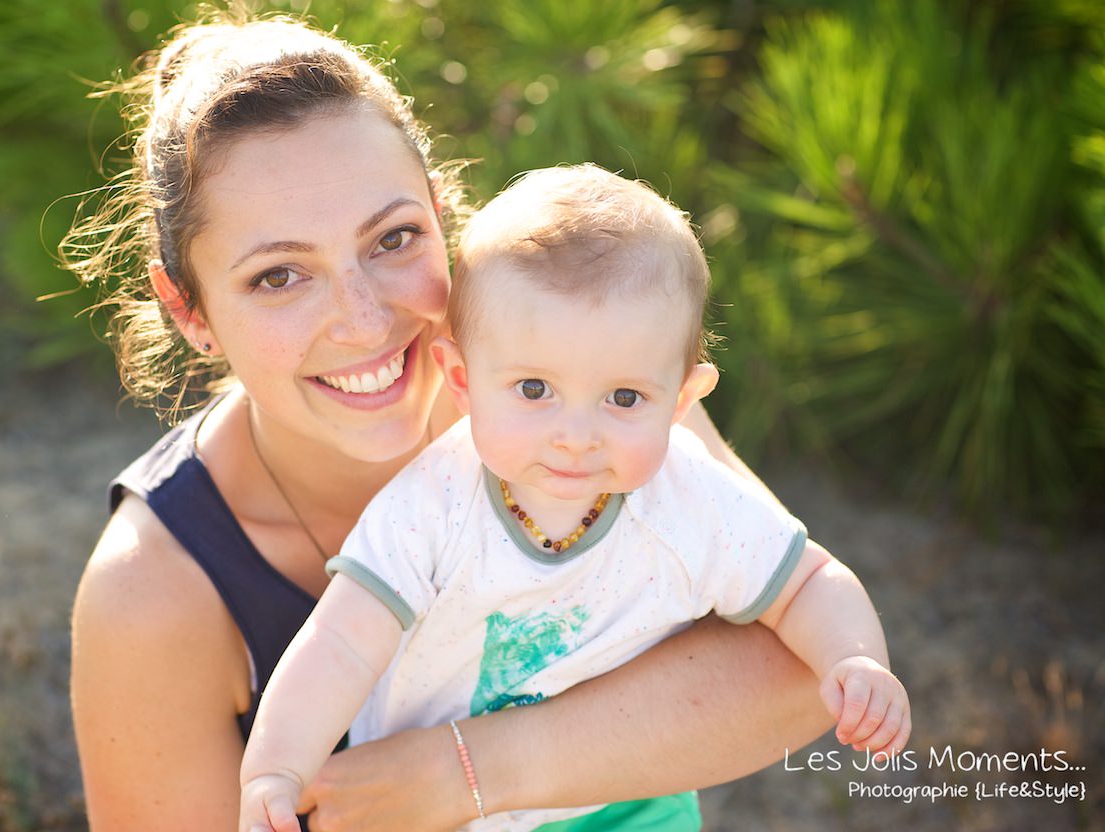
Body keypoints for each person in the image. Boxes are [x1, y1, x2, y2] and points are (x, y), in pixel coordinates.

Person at [66, 9, 833, 832]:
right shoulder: (154, 593)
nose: (363, 321)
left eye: (393, 238)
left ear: (441, 215)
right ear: (189, 310)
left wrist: (470, 771)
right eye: (280, 275)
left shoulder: (591, 388)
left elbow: (802, 667)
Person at [237, 165, 911, 832]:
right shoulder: (433, 507)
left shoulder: (694, 501)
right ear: (462, 379)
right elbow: (340, 645)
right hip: (432, 815)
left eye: (624, 398)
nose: (575, 437)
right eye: (535, 390)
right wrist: (275, 768)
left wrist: (853, 657)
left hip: (625, 795)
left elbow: (808, 580)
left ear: (680, 401)